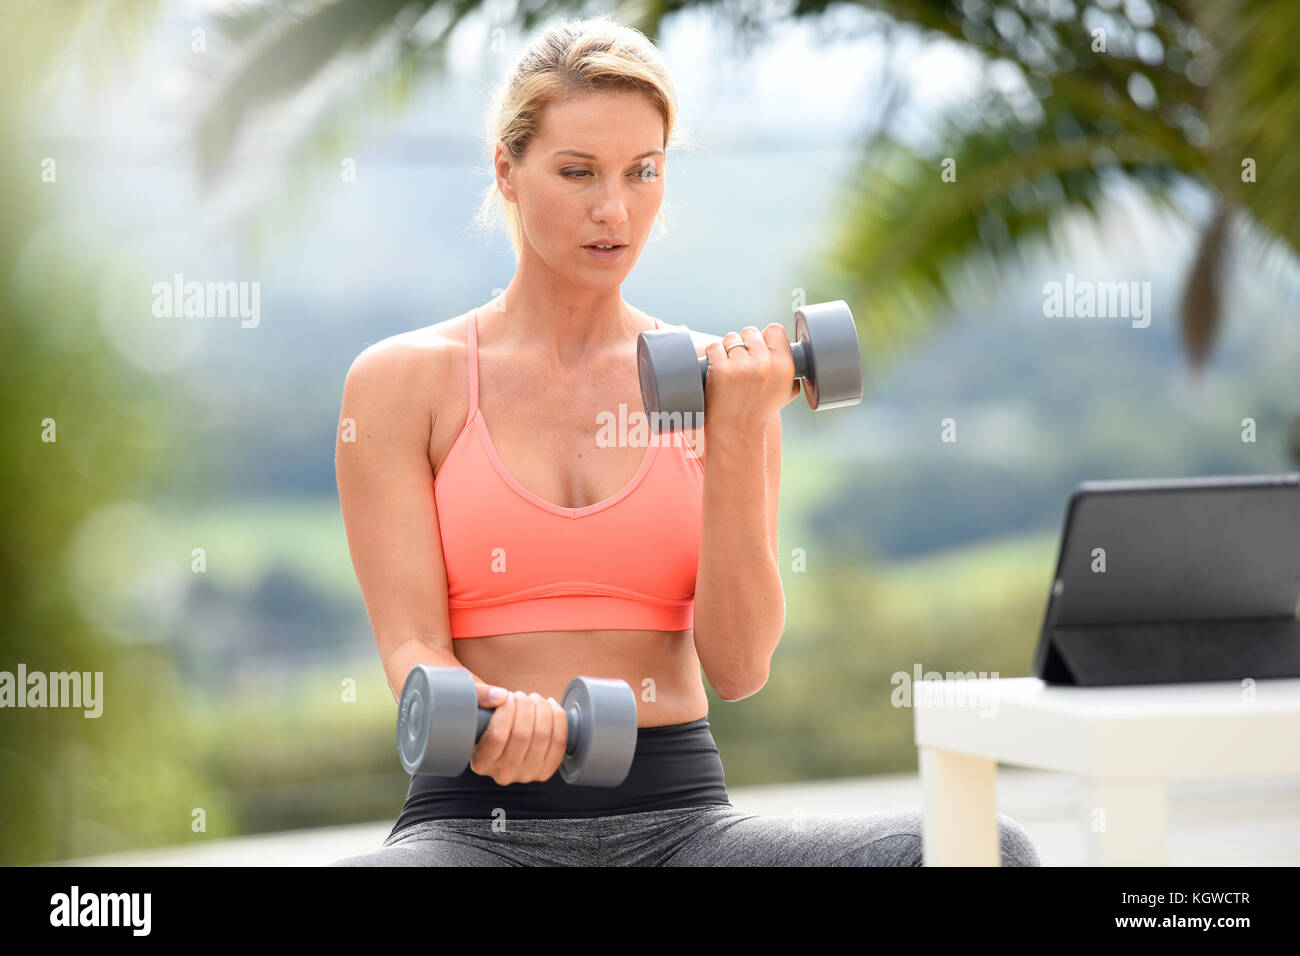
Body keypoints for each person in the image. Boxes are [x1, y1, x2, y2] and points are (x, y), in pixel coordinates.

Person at [330, 13, 1040, 867]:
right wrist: (476, 716)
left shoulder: (727, 386)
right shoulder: (402, 383)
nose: (613, 208)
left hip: (682, 823)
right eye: (578, 172)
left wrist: (738, 434)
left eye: (643, 172)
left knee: (979, 849)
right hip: (472, 826)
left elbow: (738, 667)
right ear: (507, 173)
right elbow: (411, 644)